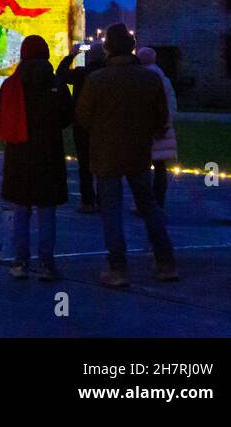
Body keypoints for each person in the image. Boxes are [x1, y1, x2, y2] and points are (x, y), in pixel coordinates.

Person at [76, 24, 177, 287]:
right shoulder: (150, 79)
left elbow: (83, 118)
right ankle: (165, 262)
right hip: (139, 152)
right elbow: (161, 119)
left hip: (106, 153)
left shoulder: (97, 80)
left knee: (111, 211)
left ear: (108, 47)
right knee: (149, 206)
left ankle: (118, 268)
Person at [0, 35, 72, 282]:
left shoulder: (11, 85)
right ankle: (47, 264)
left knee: (20, 212)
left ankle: (20, 262)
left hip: (19, 154)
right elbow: (67, 116)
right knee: (47, 212)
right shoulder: (57, 84)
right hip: (48, 154)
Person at [56, 42, 104, 213]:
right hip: (104, 125)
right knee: (104, 164)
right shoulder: (109, 73)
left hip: (82, 124)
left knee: (85, 165)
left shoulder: (81, 74)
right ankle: (104, 200)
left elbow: (60, 74)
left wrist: (71, 55)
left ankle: (87, 201)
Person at [137, 46, 178, 208]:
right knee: (160, 168)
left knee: (142, 169)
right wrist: (167, 123)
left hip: (144, 129)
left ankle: (144, 202)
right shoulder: (164, 79)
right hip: (162, 128)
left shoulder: (140, 79)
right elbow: (172, 104)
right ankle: (158, 201)